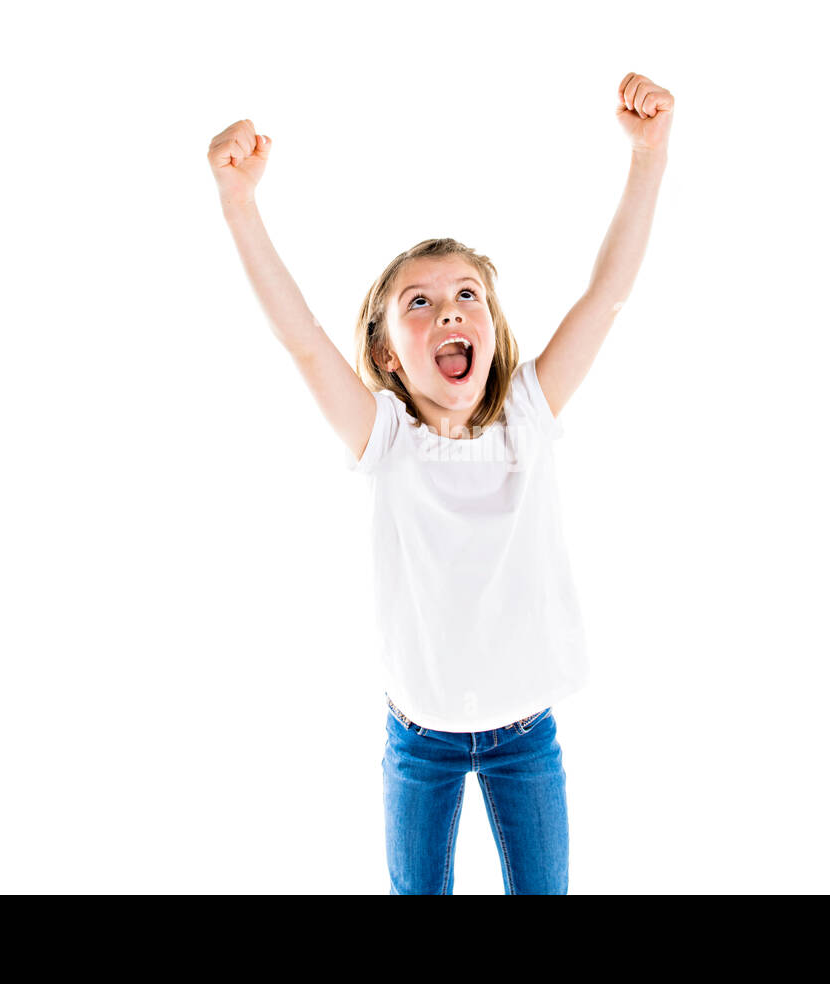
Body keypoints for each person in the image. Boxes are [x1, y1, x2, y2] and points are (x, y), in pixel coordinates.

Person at [206, 72, 673, 894]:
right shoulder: (385, 439)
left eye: (466, 295)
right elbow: (303, 339)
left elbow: (607, 296)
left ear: (491, 327)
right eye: (418, 304)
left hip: (525, 734)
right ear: (388, 354)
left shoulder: (527, 413)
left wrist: (648, 156)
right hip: (418, 739)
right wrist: (239, 202)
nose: (449, 311)